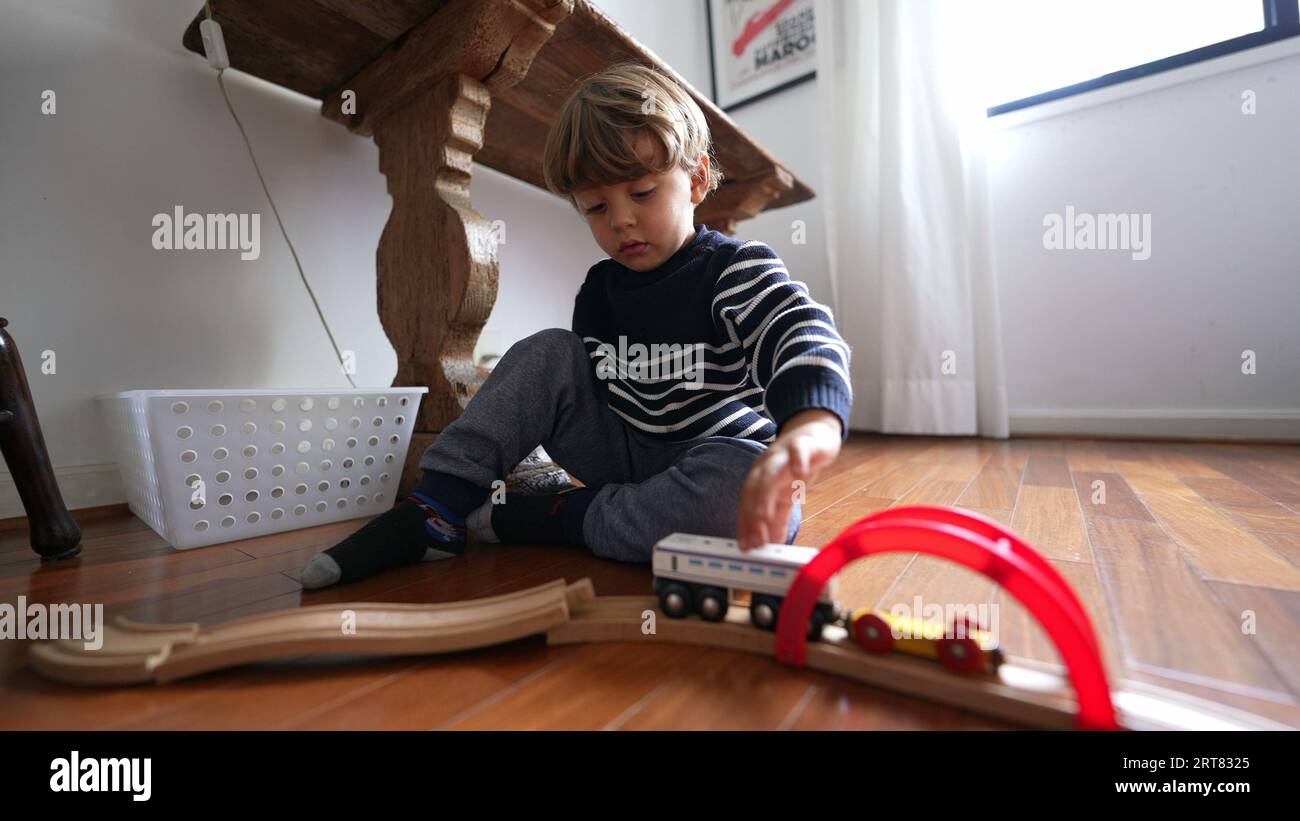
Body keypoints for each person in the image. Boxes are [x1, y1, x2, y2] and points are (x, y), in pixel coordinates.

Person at [299, 61, 852, 590]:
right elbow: (574, 395)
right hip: (620, 454)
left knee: (760, 512)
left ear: (699, 179)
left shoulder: (734, 268)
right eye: (595, 207)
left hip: (713, 454)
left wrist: (810, 424)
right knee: (548, 351)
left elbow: (798, 329)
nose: (622, 220)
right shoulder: (598, 290)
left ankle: (557, 514)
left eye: (641, 193)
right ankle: (437, 510)